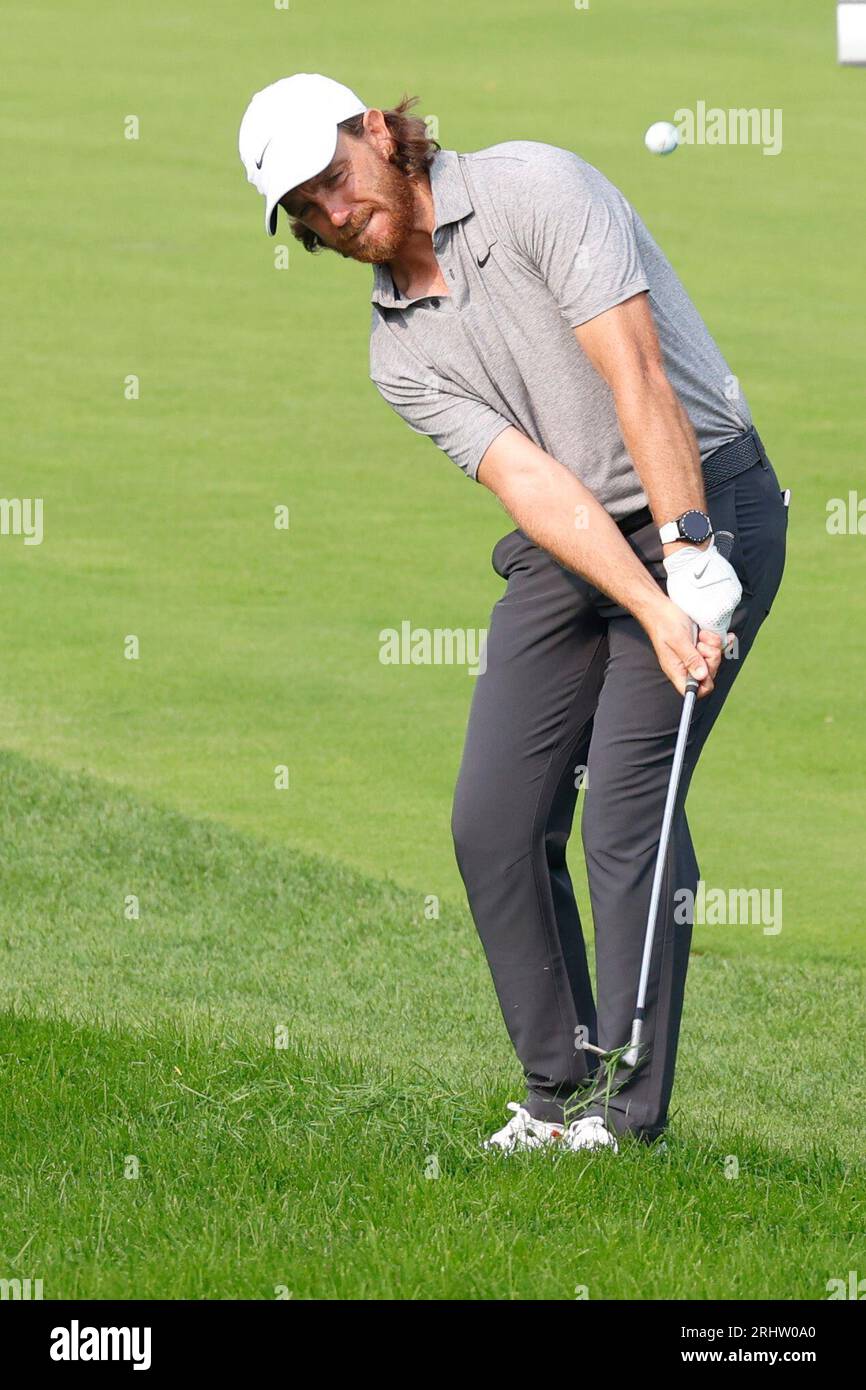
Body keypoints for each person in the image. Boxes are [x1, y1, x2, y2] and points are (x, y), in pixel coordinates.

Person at [238, 74, 788, 1154]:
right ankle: (556, 1088)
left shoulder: (539, 190)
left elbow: (637, 382)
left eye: (335, 182)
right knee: (491, 816)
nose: (334, 216)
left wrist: (682, 560)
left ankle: (627, 1120)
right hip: (577, 537)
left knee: (624, 805)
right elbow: (532, 483)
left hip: (702, 495)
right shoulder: (397, 349)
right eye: (307, 211)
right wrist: (639, 597)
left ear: (380, 133)